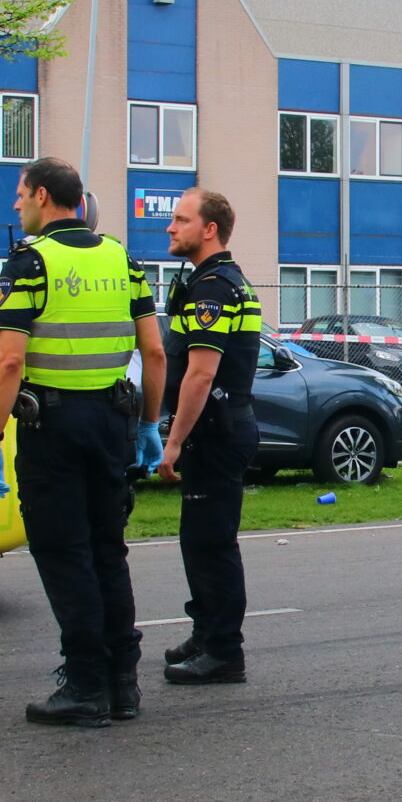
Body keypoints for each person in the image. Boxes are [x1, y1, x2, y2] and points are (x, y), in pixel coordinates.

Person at [0, 158, 167, 729]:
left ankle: (84, 685)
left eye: (20, 196)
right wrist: (149, 425)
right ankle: (123, 683)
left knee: (65, 554)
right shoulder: (123, 258)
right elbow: (155, 353)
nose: (16, 206)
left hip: (54, 428)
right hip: (113, 420)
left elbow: (10, 359)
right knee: (108, 551)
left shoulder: (29, 261)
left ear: (42, 196)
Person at [156, 189, 264, 686]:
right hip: (220, 428)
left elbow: (200, 375)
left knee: (212, 543)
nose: (171, 228)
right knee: (198, 540)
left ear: (209, 229)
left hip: (217, 432)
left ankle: (224, 650)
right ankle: (207, 631)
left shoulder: (214, 288)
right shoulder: (212, 281)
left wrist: (172, 441)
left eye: (181, 220)